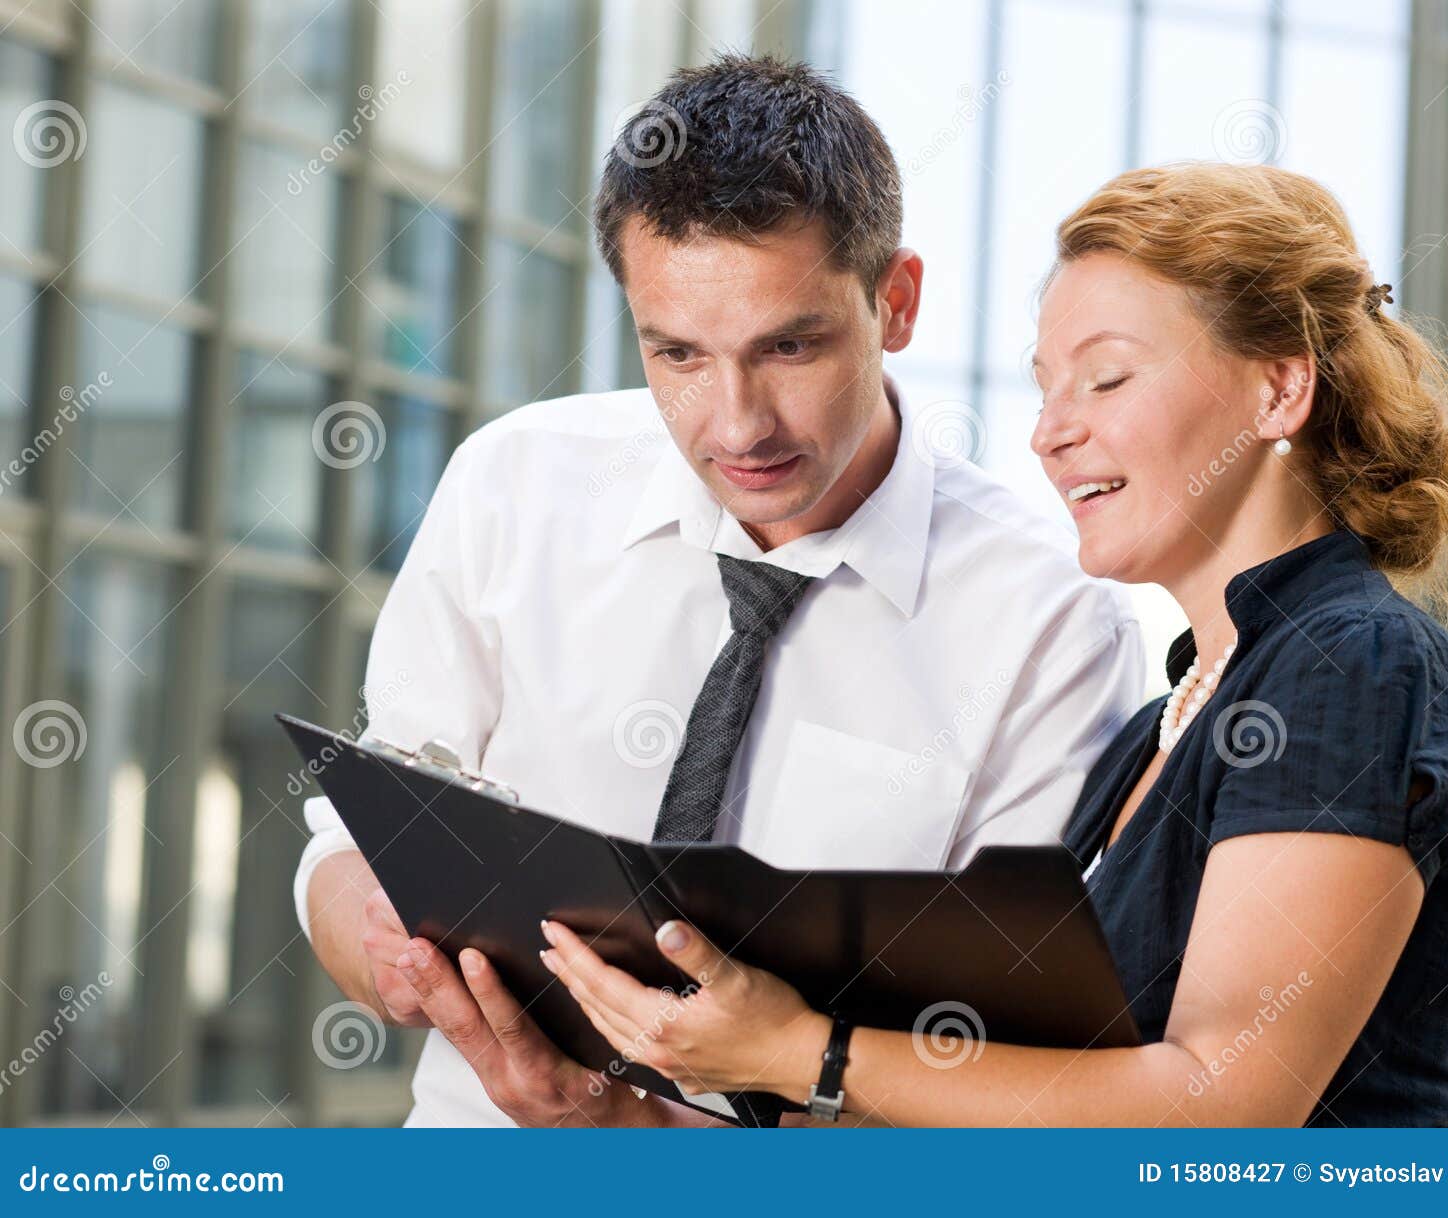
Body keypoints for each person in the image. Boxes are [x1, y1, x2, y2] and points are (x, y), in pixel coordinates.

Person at [541, 162, 1448, 1127]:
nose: (1050, 433)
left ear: (1278, 390)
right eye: (1045, 389)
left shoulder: (1350, 667)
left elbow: (1220, 1109)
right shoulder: (1164, 725)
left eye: (1106, 378)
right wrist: (630, 1117)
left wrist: (801, 1052)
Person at [293, 55, 1143, 1128]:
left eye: (789, 347)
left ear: (896, 301)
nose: (738, 425)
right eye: (679, 355)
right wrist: (385, 951)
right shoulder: (514, 484)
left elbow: (1004, 1070)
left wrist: (632, 1131)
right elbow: (350, 846)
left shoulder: (1051, 619)